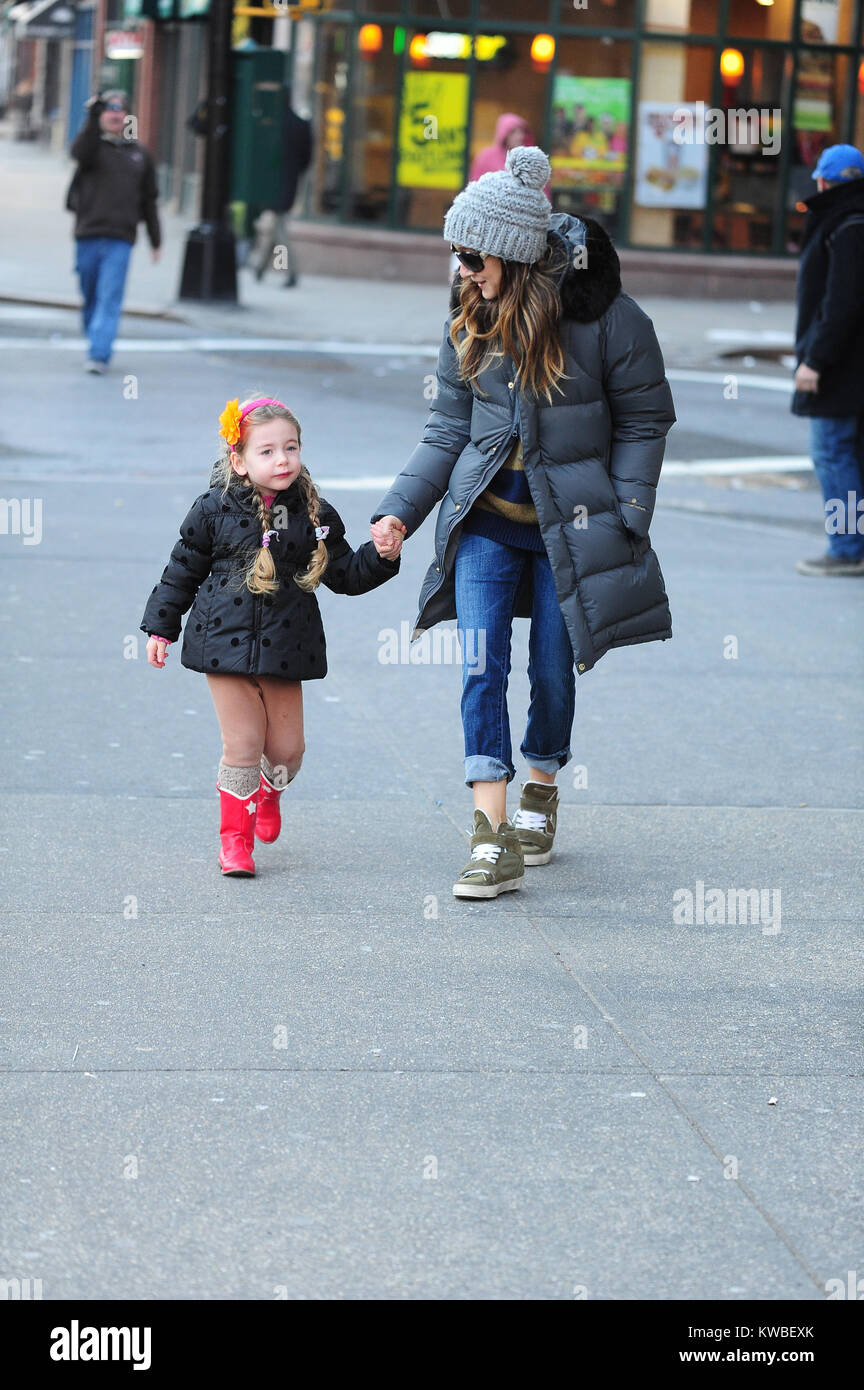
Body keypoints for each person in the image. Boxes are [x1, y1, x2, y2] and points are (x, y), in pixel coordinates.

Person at [371, 147, 675, 900]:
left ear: (510, 252)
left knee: (550, 666)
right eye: (455, 254)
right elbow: (446, 430)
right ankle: (489, 833)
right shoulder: (469, 320)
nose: (461, 269)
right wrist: (399, 512)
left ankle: (541, 786)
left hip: (564, 530)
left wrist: (629, 509)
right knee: (481, 666)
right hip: (485, 525)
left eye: (471, 255)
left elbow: (645, 417)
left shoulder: (606, 321)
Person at [140, 396, 399, 877]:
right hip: (222, 642)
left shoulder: (313, 513)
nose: (282, 460)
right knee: (242, 742)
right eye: (267, 451)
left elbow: (344, 574)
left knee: (286, 751)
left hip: (287, 645)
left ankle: (268, 790)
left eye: (291, 447)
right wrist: (161, 625)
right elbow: (181, 570)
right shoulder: (212, 509)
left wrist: (382, 556)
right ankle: (234, 843)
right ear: (238, 460)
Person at [792, 143, 864, 576]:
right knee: (849, 453)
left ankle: (846, 547)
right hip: (853, 364)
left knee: (831, 453)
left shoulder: (845, 224)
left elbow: (842, 304)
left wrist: (815, 361)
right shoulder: (852, 219)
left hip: (840, 367)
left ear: (823, 181)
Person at [67, 91, 161, 374]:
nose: (115, 116)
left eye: (119, 112)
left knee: (110, 297)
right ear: (102, 117)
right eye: (109, 112)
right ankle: (93, 331)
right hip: (88, 235)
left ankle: (99, 353)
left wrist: (156, 241)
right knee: (90, 293)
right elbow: (78, 152)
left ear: (127, 117)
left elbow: (149, 201)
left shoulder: (140, 155)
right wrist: (91, 116)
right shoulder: (92, 150)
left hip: (121, 239)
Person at [250, 90, 313, 288]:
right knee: (278, 226)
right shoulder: (300, 124)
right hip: (290, 181)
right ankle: (260, 269)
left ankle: (290, 271)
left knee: (279, 230)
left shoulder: (273, 124)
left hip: (274, 182)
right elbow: (307, 157)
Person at [469, 113, 531, 183]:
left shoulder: (530, 159)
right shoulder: (486, 157)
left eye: (522, 131)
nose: (520, 136)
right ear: (504, 133)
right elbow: (476, 185)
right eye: (513, 132)